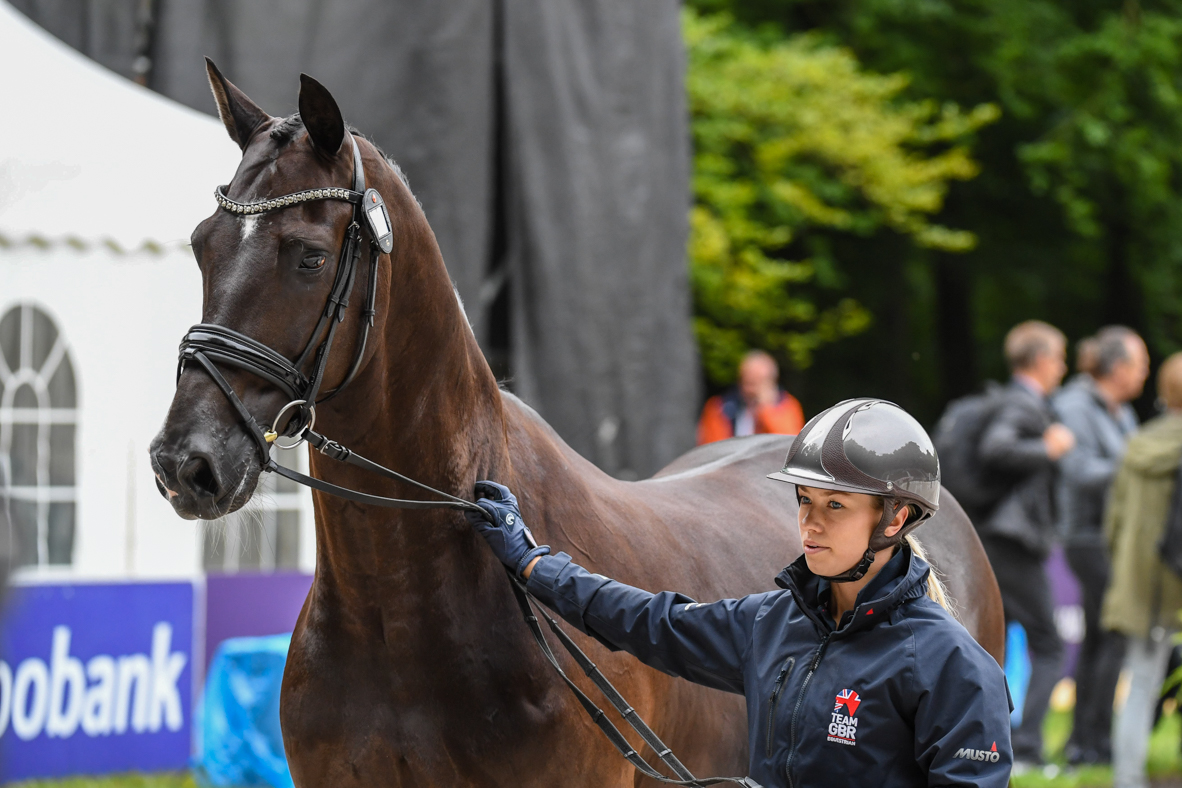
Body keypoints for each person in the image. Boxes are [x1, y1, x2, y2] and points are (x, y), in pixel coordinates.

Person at [468, 399, 1013, 788]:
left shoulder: (955, 669)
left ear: (895, 518)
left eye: (835, 507)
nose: (810, 525)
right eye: (805, 502)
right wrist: (534, 563)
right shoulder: (773, 623)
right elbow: (650, 622)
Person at [975, 320, 1074, 767]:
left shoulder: (1011, 400)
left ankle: (986, 745)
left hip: (994, 538)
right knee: (1049, 644)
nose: (1063, 367)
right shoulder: (1023, 403)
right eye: (1059, 358)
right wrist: (1048, 448)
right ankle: (1028, 748)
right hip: (1012, 541)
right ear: (1040, 361)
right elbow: (996, 449)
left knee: (990, 647)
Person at [1053, 326, 1147, 765]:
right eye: (1140, 363)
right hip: (1086, 536)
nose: (1145, 372)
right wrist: (1133, 467)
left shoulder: (1122, 412)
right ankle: (1095, 744)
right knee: (1114, 636)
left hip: (1116, 538)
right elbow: (1079, 471)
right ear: (1119, 367)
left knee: (1100, 638)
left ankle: (1085, 743)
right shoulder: (1074, 405)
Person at [1104, 352, 1182, 788]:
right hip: (1175, 587)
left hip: (1139, 584)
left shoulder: (1136, 444)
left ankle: (1127, 779)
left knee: (1138, 685)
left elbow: (1113, 523)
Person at [697, 350, 805, 444]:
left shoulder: (788, 406)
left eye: (757, 382)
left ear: (772, 382)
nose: (750, 389)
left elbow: (788, 445)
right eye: (746, 381)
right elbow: (712, 448)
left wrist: (767, 410)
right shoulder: (720, 407)